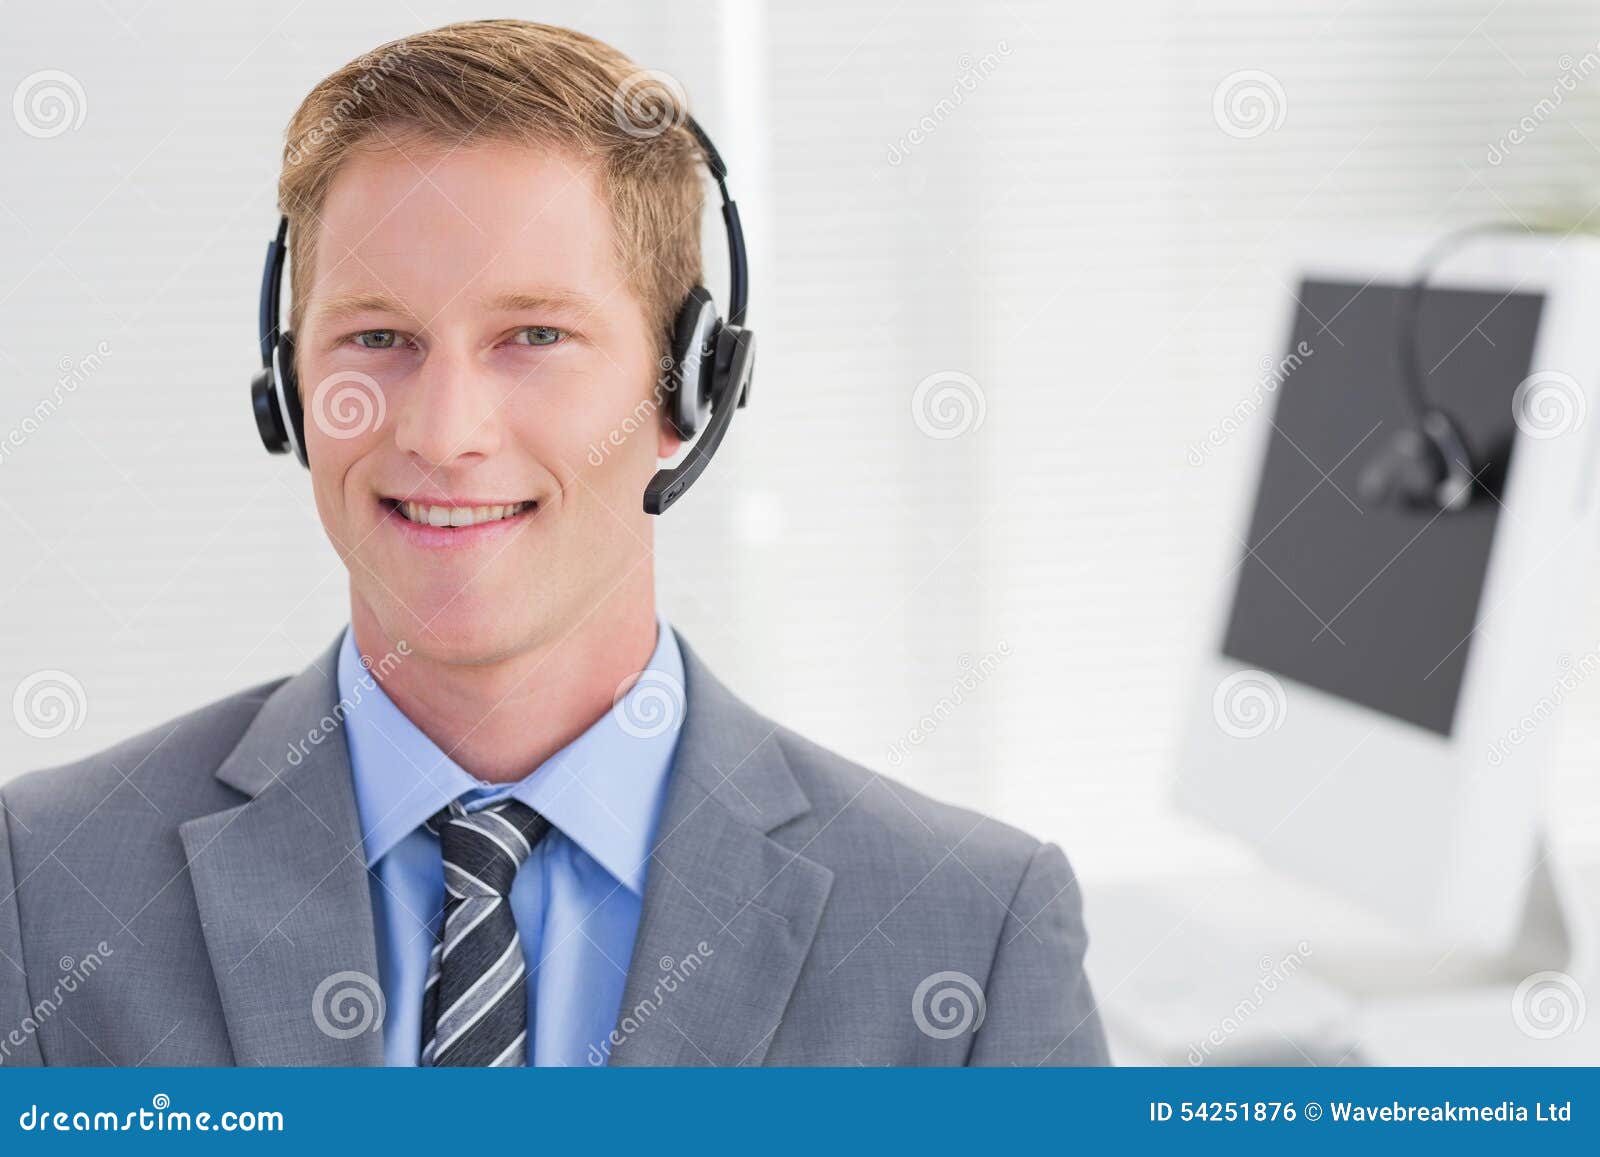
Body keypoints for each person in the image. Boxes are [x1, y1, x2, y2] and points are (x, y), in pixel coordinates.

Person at [0, 19, 1107, 1067]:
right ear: (289, 389)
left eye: (534, 336)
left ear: (690, 386)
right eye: (376, 336)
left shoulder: (972, 936)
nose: (443, 431)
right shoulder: (44, 884)